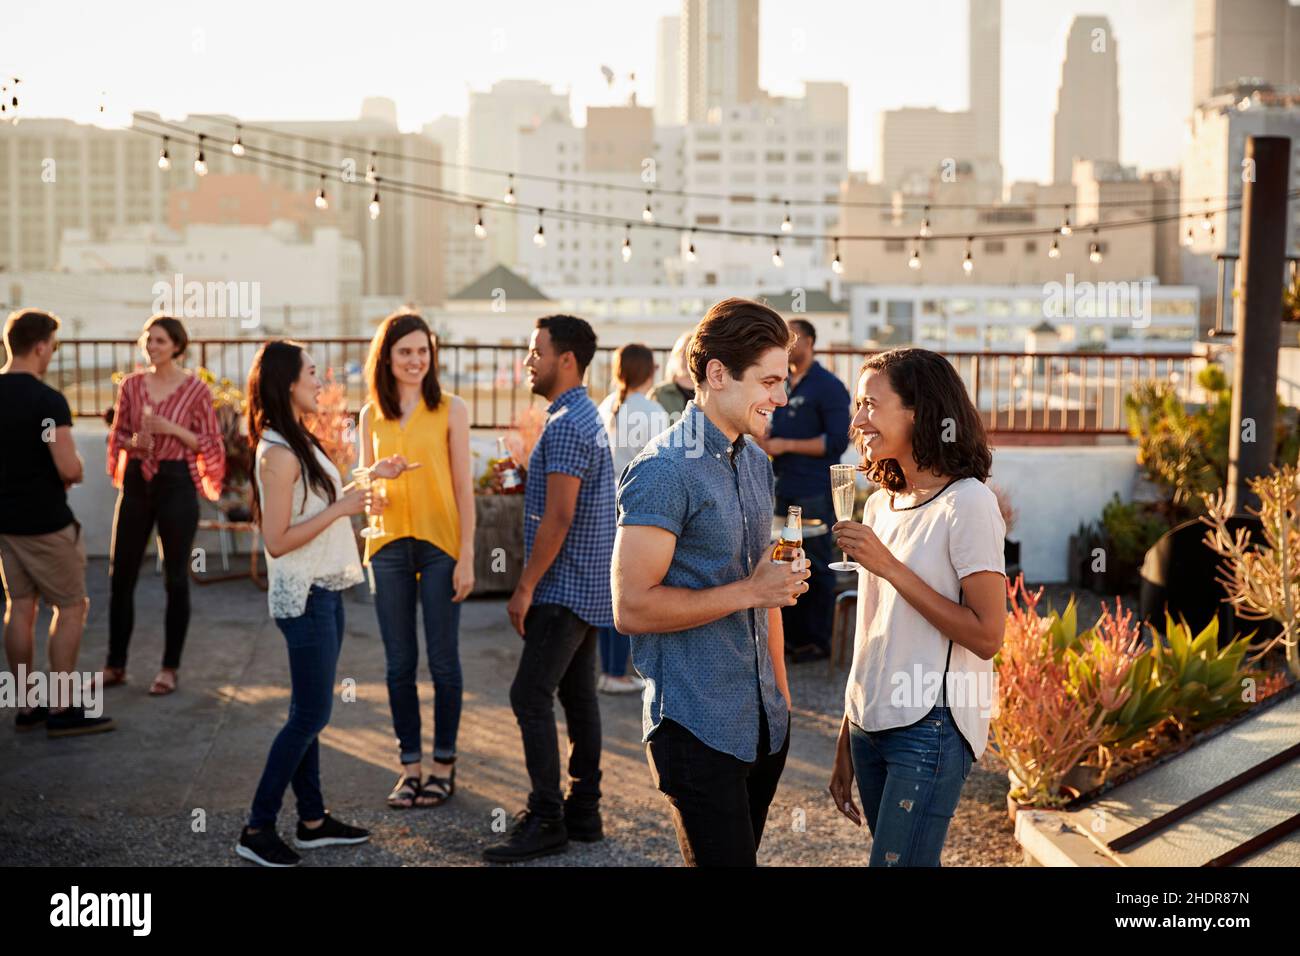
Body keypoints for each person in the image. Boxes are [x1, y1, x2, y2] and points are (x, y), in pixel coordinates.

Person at [612, 297, 810, 867]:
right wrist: (750, 590)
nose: (782, 397)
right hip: (696, 728)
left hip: (764, 722)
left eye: (785, 381)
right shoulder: (662, 469)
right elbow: (631, 607)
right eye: (769, 381)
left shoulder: (754, 461)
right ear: (718, 374)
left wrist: (782, 697)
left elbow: (764, 588)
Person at [827, 347, 1007, 867]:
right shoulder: (881, 502)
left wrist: (889, 565)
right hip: (871, 722)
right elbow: (873, 627)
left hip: (930, 724)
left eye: (870, 404)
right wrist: (847, 728)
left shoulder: (968, 503)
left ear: (918, 411)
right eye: (858, 406)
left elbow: (987, 635)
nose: (858, 419)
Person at [236, 340, 374, 867]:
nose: (321, 381)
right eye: (313, 373)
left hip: (325, 590)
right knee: (309, 716)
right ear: (286, 382)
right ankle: (256, 827)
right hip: (304, 596)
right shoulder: (277, 452)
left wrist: (367, 483)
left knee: (308, 715)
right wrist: (343, 507)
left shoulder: (298, 441)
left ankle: (312, 821)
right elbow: (277, 540)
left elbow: (321, 504)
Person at [483, 314, 615, 863]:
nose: (527, 362)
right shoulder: (583, 415)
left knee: (528, 695)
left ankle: (546, 818)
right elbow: (567, 500)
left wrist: (524, 588)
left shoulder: (564, 425)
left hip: (562, 588)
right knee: (578, 696)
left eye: (535, 351)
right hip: (588, 584)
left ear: (566, 360)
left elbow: (559, 518)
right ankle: (583, 811)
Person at [358, 311, 475, 810]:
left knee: (443, 660)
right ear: (387, 356)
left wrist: (468, 552)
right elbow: (363, 485)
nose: (415, 360)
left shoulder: (451, 408)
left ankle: (443, 766)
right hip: (386, 547)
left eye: (423, 351)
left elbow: (463, 487)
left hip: (440, 543)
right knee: (399, 662)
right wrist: (372, 493)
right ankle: (409, 767)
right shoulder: (369, 415)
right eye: (405, 351)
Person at [0, 309, 112, 737]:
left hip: (5, 523)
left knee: (19, 608)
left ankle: (26, 707)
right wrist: (79, 465)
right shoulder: (47, 402)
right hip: (44, 522)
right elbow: (68, 467)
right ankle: (63, 708)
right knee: (70, 607)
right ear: (42, 346)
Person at [104, 315, 226, 695]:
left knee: (176, 578)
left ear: (176, 345)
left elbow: (208, 440)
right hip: (138, 480)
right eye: (148, 339)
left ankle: (169, 668)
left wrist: (169, 429)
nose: (151, 346)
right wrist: (134, 440)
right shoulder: (131, 386)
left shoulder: (195, 391)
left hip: (177, 482)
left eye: (159, 340)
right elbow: (119, 433)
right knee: (120, 574)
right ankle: (115, 664)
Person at [753, 318, 851, 663]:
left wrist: (785, 444)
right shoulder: (783, 384)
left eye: (793, 341)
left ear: (810, 342)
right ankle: (790, 640)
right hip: (780, 488)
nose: (788, 348)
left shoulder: (829, 387)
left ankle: (816, 641)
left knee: (817, 564)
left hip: (812, 489)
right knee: (784, 561)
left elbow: (836, 441)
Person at [595, 343, 667, 694]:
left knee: (613, 589)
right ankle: (618, 672)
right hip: (638, 506)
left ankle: (609, 669)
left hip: (605, 500)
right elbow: (662, 465)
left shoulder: (607, 405)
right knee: (634, 589)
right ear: (650, 370)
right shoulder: (653, 411)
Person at [649, 328, 695, 424]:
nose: (686, 358)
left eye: (691, 353)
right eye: (682, 353)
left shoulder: (708, 393)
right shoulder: (659, 393)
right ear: (675, 355)